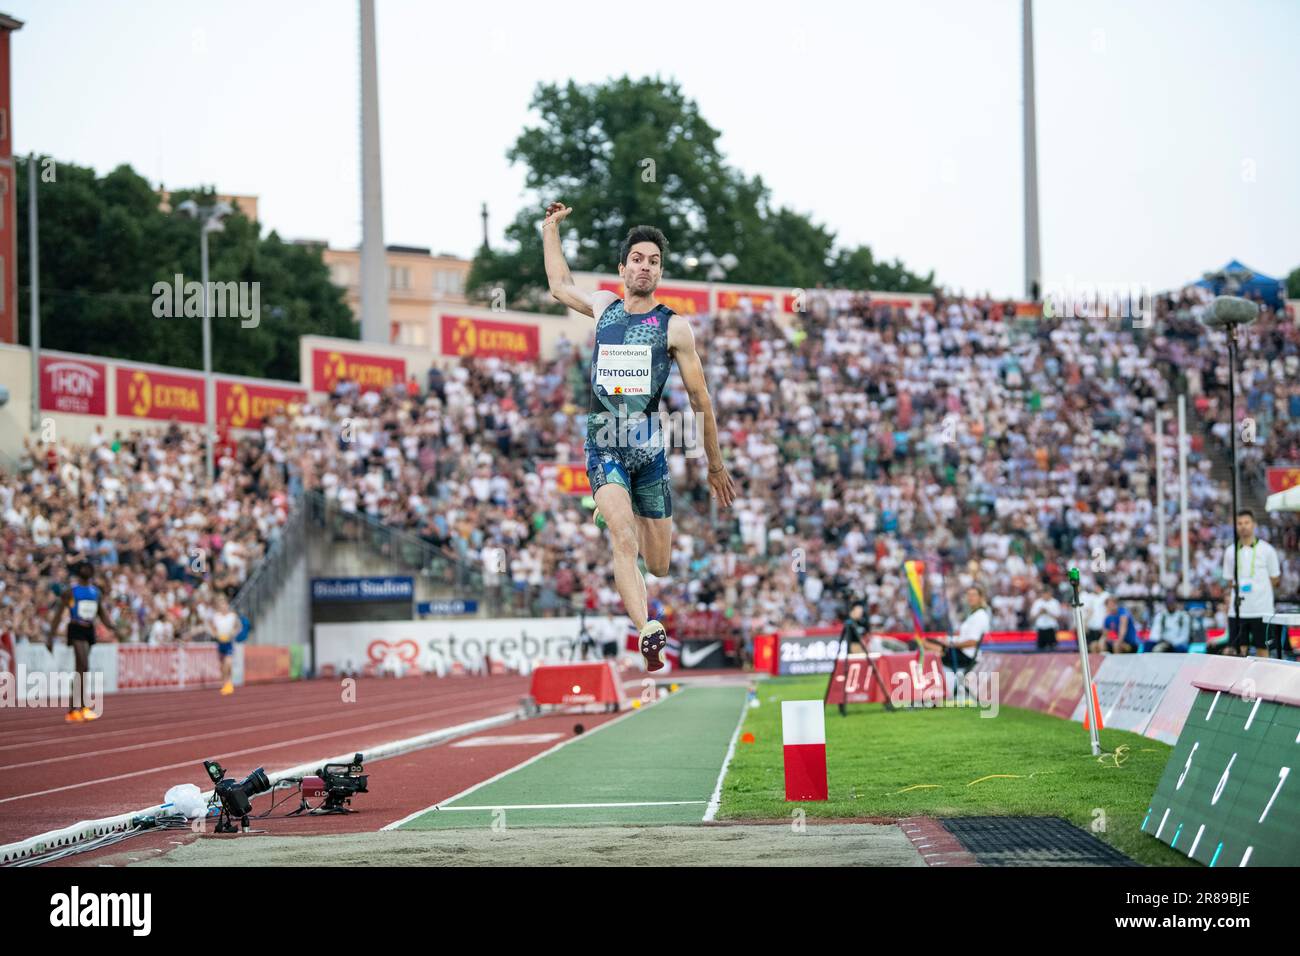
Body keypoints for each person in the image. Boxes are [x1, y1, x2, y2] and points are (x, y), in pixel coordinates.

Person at [542, 201, 736, 671]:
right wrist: (550, 229)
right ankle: (648, 630)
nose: (644, 267)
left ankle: (618, 512)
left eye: (653, 261)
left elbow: (700, 401)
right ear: (622, 267)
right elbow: (559, 285)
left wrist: (714, 464)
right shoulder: (605, 307)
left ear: (660, 271)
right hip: (603, 440)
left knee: (660, 563)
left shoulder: (674, 326)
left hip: (648, 449)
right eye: (637, 259)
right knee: (622, 539)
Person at [47, 562, 114, 722]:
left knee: (81, 669)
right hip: (76, 627)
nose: (86, 569)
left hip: (89, 629)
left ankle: (75, 708)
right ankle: (80, 707)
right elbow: (58, 614)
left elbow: (101, 613)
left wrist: (112, 626)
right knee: (83, 664)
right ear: (79, 572)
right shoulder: (71, 591)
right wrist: (50, 636)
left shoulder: (95, 592)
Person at [1221, 509, 1281, 658]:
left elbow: (1275, 579)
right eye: (1239, 523)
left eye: (1246, 522)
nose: (1243, 526)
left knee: (1263, 649)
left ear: (1254, 524)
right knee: (1238, 652)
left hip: (1262, 610)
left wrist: (1259, 591)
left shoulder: (1267, 550)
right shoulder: (1230, 551)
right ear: (1236, 526)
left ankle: (1263, 681)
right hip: (1238, 610)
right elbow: (1229, 580)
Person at [921, 585, 990, 693]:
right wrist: (947, 639)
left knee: (927, 646)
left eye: (974, 595)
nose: (970, 598)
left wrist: (951, 644)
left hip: (966, 655)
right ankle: (931, 686)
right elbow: (964, 637)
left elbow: (972, 642)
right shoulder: (973, 615)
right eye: (969, 595)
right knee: (926, 643)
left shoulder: (979, 616)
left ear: (981, 598)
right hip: (961, 650)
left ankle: (930, 687)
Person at [210, 595, 241, 695]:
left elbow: (238, 627)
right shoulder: (216, 617)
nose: (223, 607)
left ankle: (229, 682)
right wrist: (214, 634)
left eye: (224, 604)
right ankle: (224, 684)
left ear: (227, 605)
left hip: (229, 642)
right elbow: (212, 627)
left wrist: (234, 632)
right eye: (220, 605)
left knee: (229, 663)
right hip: (220, 642)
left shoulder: (232, 616)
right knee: (222, 666)